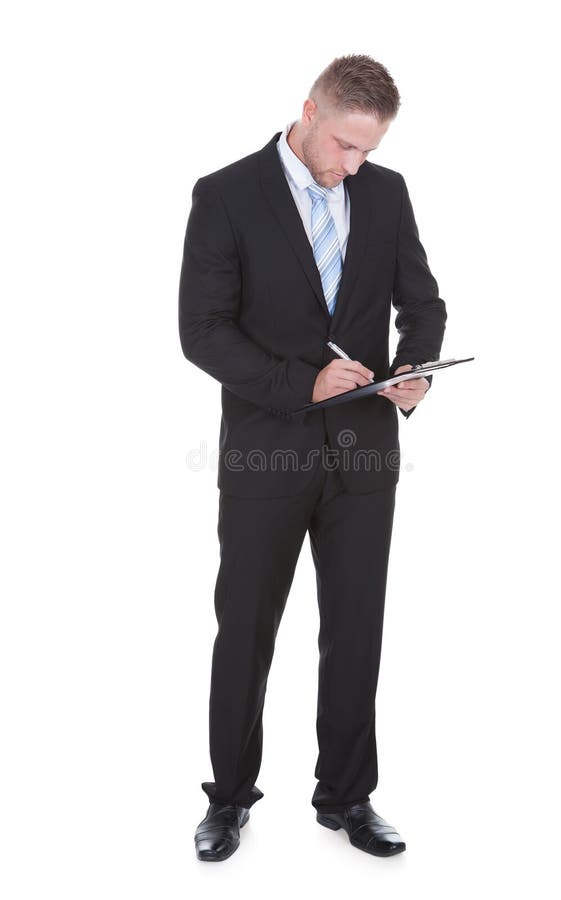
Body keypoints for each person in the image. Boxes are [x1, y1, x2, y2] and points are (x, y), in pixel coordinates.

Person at [178, 53, 447, 861]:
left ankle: (348, 797)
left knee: (357, 629)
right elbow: (203, 331)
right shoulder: (225, 195)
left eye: (367, 150)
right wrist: (305, 382)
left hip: (366, 452)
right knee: (247, 630)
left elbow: (422, 300)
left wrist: (415, 370)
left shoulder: (386, 191)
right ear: (308, 111)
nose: (352, 166)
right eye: (342, 146)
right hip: (267, 449)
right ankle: (227, 800)